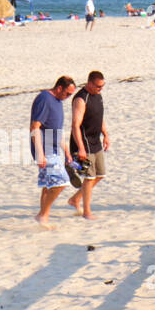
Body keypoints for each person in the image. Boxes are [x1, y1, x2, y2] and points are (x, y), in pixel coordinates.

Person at [31, 76, 79, 229]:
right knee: (62, 181)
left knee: (49, 185)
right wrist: (39, 153)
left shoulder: (58, 102)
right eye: (67, 94)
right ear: (59, 88)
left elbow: (56, 130)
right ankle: (42, 215)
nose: (68, 97)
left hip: (53, 148)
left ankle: (43, 217)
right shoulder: (44, 99)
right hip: (45, 149)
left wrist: (67, 152)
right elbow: (35, 127)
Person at [67, 71, 109, 220]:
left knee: (100, 175)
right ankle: (87, 211)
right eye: (98, 86)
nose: (100, 89)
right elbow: (75, 125)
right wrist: (81, 148)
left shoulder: (98, 96)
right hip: (84, 142)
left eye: (102, 86)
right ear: (89, 83)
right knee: (89, 177)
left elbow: (99, 116)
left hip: (96, 140)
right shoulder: (80, 98)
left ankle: (75, 199)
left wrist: (106, 134)